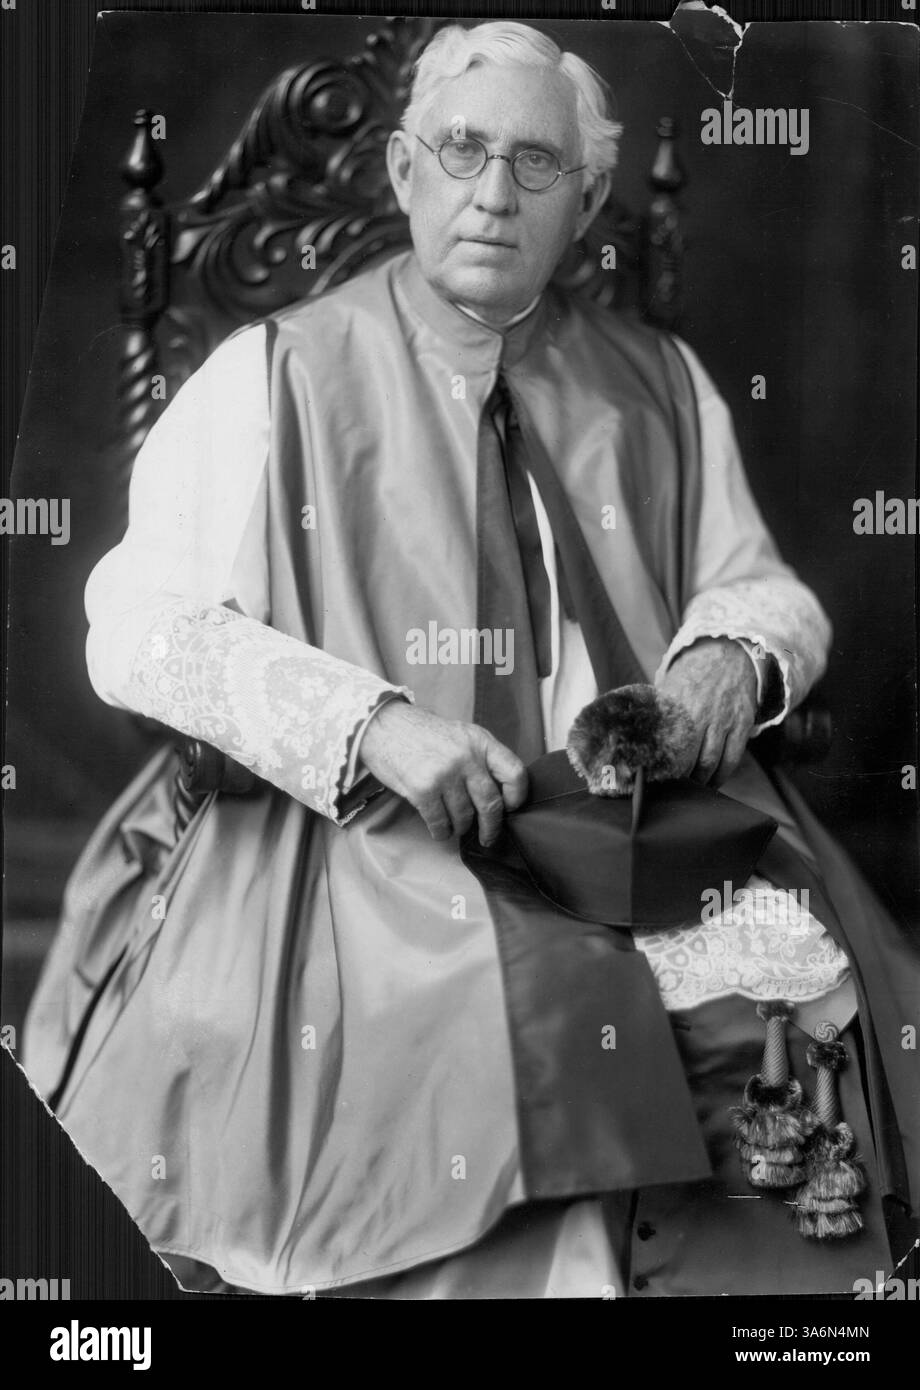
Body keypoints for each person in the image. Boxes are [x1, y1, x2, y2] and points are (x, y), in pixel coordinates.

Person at [23, 21, 918, 1298]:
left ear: (588, 199)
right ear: (402, 172)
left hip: (624, 817)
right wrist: (370, 724)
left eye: (534, 165)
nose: (492, 193)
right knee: (529, 1025)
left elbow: (755, 577)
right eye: (460, 150)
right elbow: (139, 624)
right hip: (366, 834)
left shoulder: (656, 380)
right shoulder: (271, 376)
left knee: (810, 993)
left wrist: (725, 655)